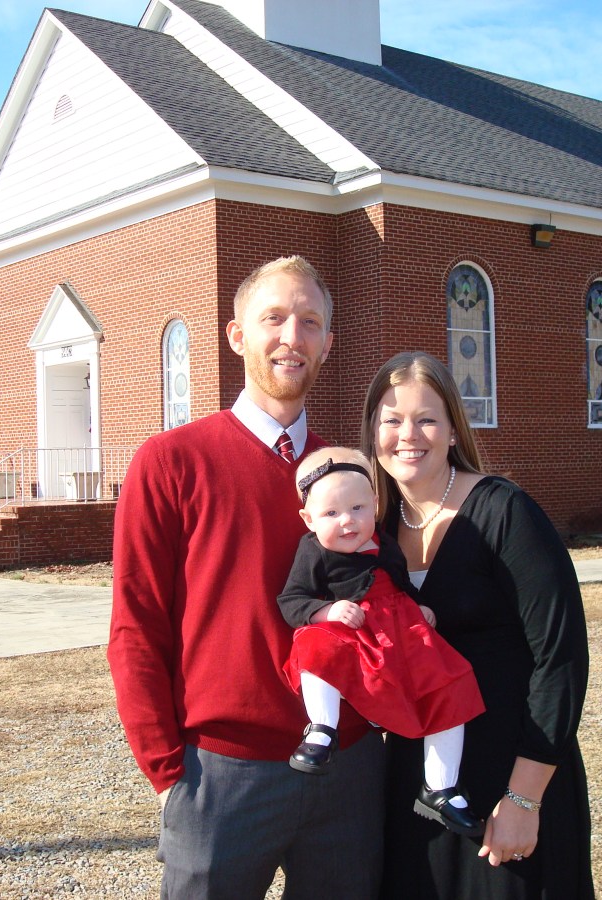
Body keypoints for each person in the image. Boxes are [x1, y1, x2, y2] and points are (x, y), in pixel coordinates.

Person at [107, 256, 385, 899]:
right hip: (224, 773)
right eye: (274, 318)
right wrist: (169, 769)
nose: (293, 336)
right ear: (238, 336)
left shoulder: (349, 474)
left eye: (310, 321)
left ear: (328, 344)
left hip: (348, 767)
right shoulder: (171, 461)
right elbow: (136, 622)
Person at [361, 351, 594, 899]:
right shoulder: (375, 530)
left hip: (507, 773)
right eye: (391, 420)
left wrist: (524, 798)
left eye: (426, 419)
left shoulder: (504, 511)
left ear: (451, 430)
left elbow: (560, 658)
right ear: (373, 431)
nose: (407, 435)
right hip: (416, 783)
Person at [277, 447, 486, 837]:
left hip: (402, 633)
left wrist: (418, 605)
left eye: (358, 508)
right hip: (355, 633)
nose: (347, 522)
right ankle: (322, 729)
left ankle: (440, 786)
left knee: (450, 682)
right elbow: (291, 601)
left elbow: (401, 581)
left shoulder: (386, 543)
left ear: (375, 503)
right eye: (331, 514)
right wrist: (326, 612)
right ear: (308, 520)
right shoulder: (314, 551)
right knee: (313, 644)